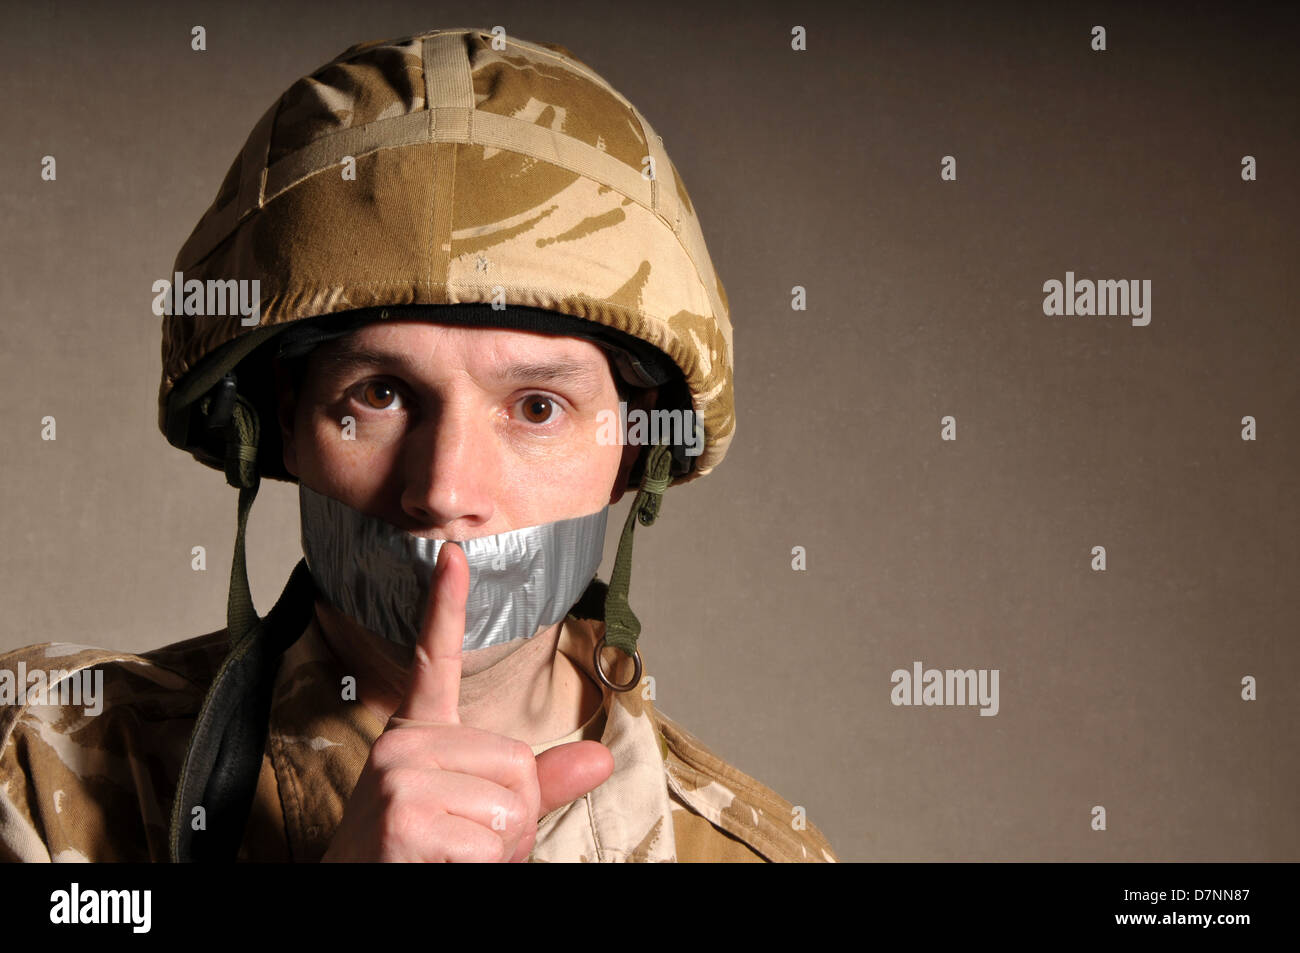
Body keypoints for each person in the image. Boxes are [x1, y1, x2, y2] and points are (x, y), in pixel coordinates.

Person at [0, 26, 837, 863]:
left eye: (537, 406)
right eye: (380, 394)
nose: (443, 488)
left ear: (633, 447)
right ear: (285, 424)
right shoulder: (43, 770)